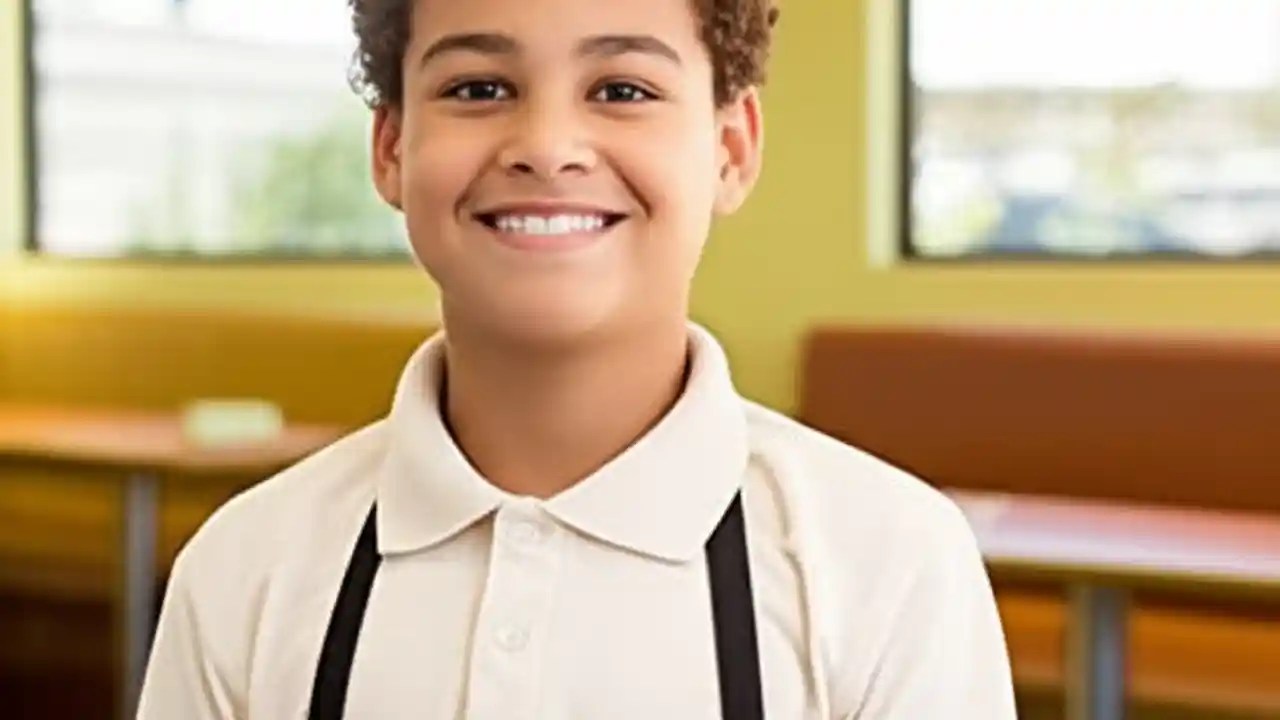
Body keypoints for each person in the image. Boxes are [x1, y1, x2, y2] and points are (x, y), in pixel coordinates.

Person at [137, 0, 1017, 717]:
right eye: (480, 86)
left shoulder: (891, 571)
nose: (547, 145)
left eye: (624, 89)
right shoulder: (244, 573)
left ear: (731, 148)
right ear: (392, 148)